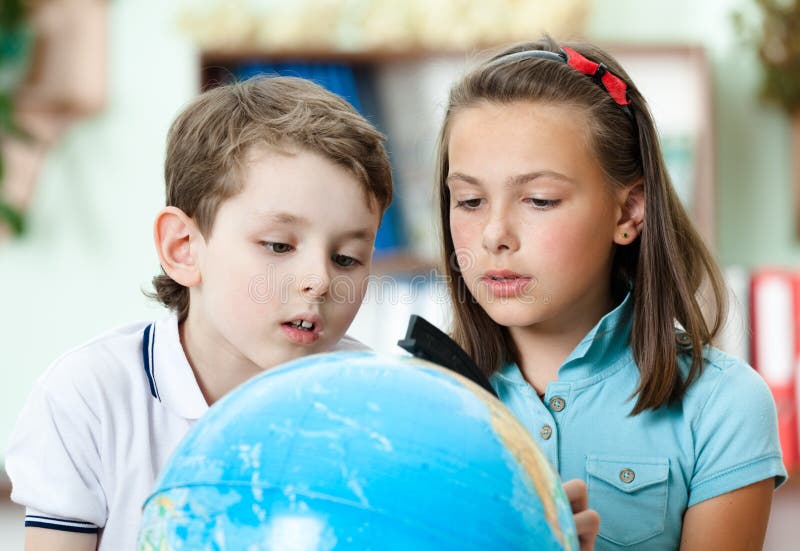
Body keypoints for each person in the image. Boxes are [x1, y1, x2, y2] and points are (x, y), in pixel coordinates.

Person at [5, 76, 393, 551]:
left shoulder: (377, 405)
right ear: (184, 248)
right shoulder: (90, 397)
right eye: (278, 245)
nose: (320, 280)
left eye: (347, 257)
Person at [435, 36, 786, 550]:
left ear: (628, 212)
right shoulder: (422, 398)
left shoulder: (723, 406)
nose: (494, 234)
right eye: (469, 200)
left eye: (539, 199)